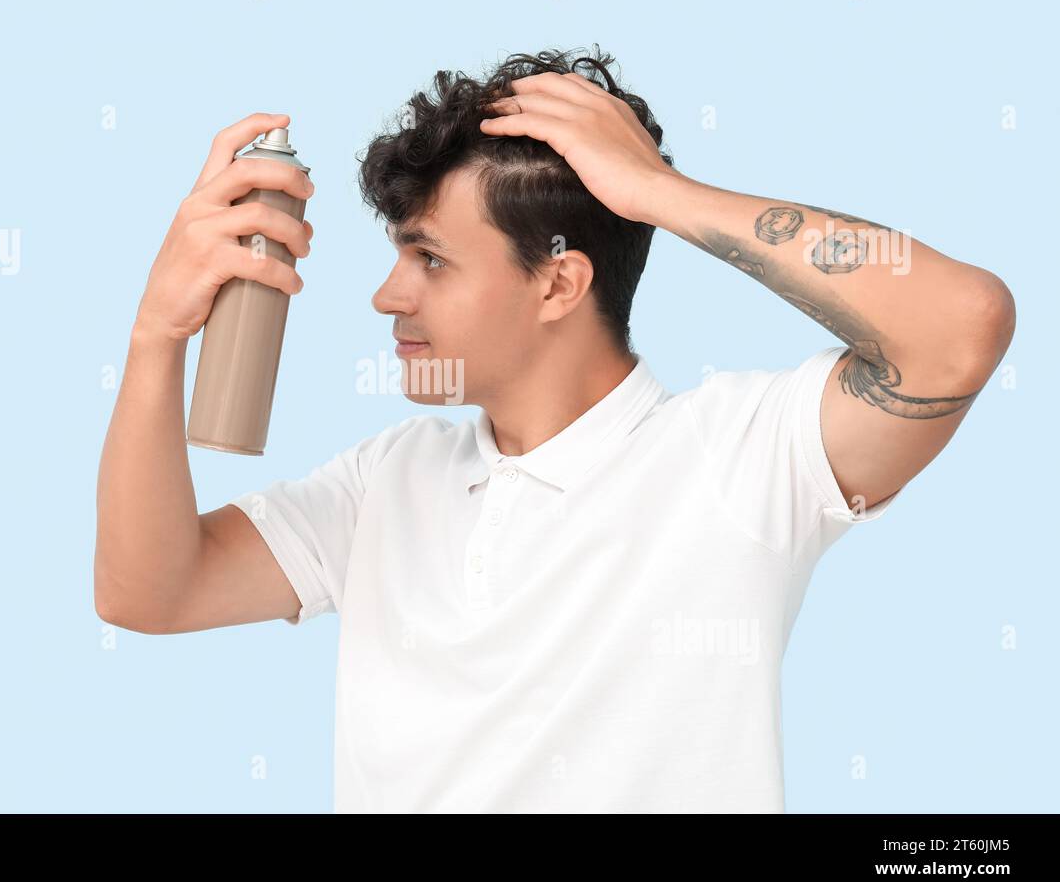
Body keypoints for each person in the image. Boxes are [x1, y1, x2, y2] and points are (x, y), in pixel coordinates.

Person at [93, 46, 1016, 812]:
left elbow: (960, 327)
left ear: (559, 282)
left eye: (430, 258)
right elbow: (151, 592)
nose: (387, 295)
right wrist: (155, 334)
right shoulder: (389, 482)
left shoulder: (741, 459)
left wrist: (658, 193)